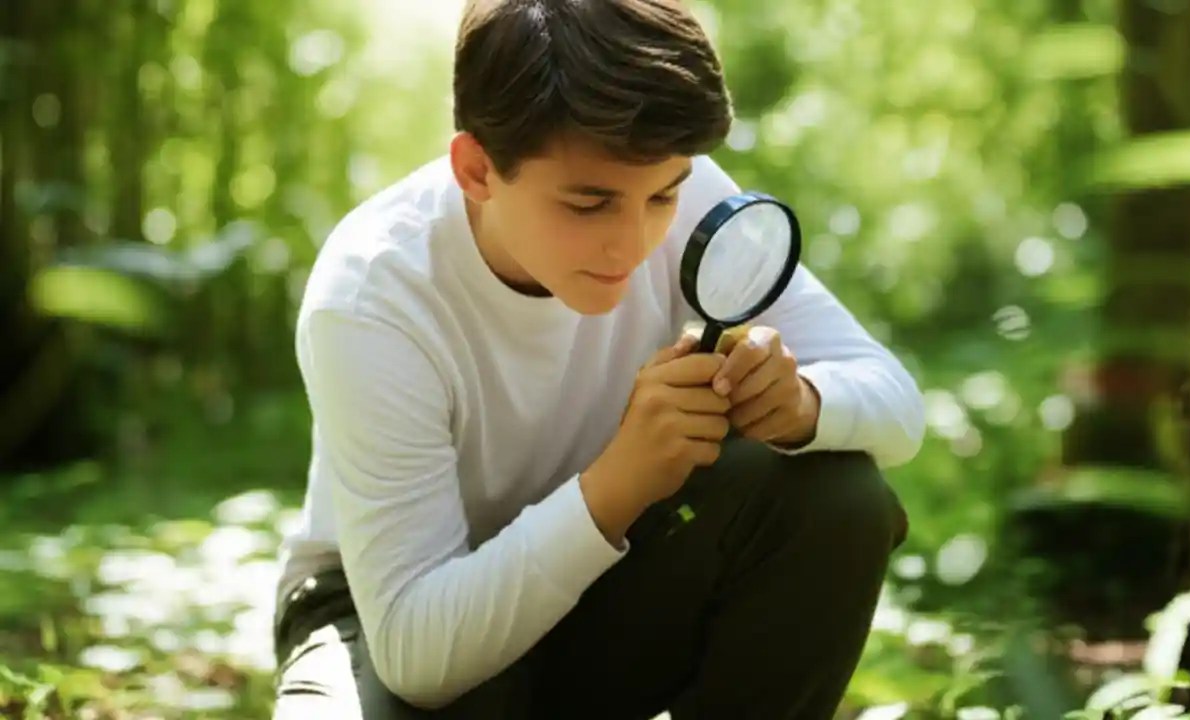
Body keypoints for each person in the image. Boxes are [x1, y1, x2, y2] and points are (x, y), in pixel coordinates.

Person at [270, 1, 925, 718]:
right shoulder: (374, 293)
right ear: (477, 168)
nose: (633, 243)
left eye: (663, 196)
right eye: (589, 205)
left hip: (604, 583)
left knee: (839, 498)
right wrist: (619, 480)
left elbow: (896, 404)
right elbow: (416, 656)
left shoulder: (680, 189)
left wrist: (801, 404)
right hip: (382, 611)